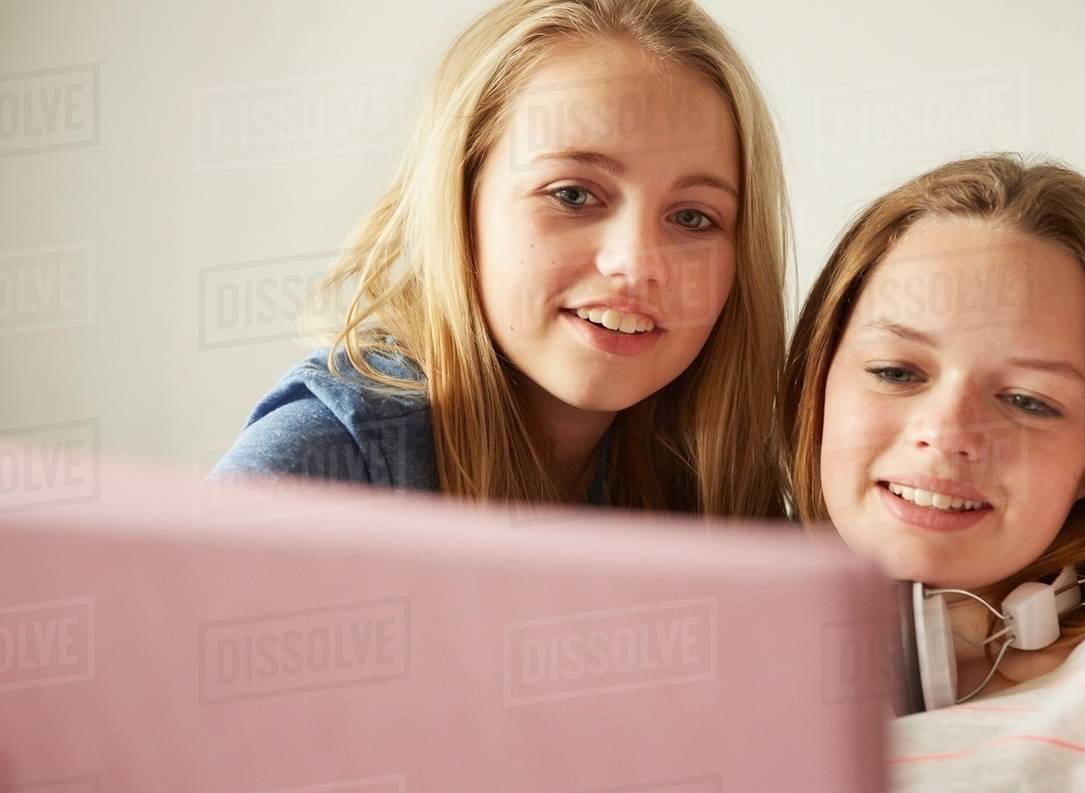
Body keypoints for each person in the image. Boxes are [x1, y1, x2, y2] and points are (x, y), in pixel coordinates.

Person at [212, 0, 792, 515]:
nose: (636, 265)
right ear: (461, 204)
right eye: (572, 195)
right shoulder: (320, 467)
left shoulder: (717, 485)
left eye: (693, 217)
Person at [782, 154, 1085, 793]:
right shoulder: (687, 645)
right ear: (819, 383)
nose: (948, 436)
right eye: (896, 372)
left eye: (1028, 401)